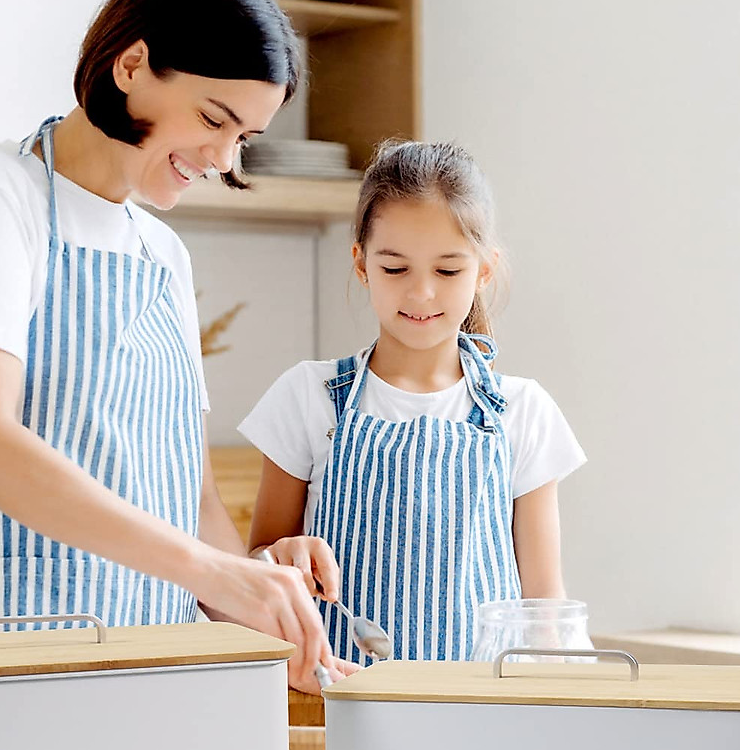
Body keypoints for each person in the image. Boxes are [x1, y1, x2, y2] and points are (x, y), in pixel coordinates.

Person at [0, 0, 354, 693]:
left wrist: (259, 587)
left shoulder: (162, 255)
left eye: (244, 138)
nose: (221, 158)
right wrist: (213, 572)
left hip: (145, 670)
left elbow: (191, 500)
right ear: (132, 65)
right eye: (214, 119)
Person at [240, 140, 586, 662]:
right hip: (337, 694)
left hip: (477, 700)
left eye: (447, 271)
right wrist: (278, 558)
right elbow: (256, 566)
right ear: (361, 264)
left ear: (484, 270)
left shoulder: (522, 410)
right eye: (395, 268)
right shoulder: (308, 396)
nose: (421, 293)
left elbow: (542, 606)